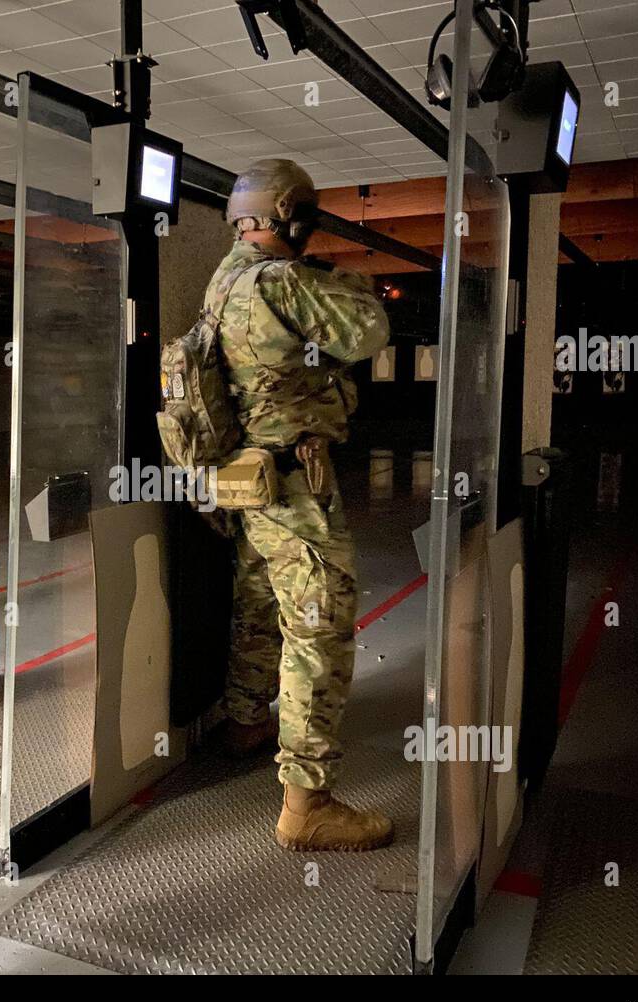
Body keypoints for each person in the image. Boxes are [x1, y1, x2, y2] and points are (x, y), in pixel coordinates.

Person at [211, 158, 395, 851]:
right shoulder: (283, 281)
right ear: (287, 215)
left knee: (259, 600)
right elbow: (369, 330)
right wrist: (347, 280)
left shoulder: (221, 282)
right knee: (319, 629)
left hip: (247, 482)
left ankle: (245, 721)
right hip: (292, 481)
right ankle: (307, 803)